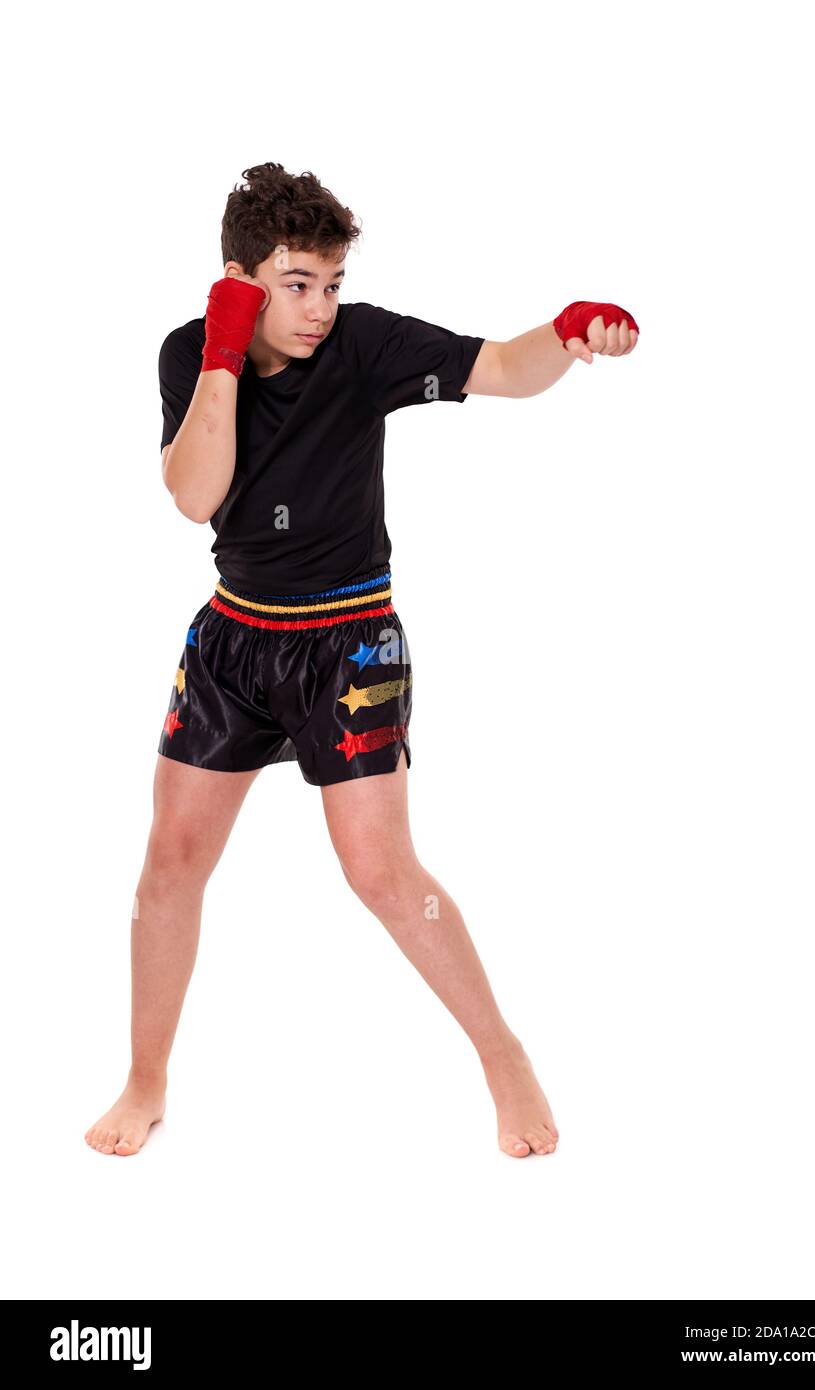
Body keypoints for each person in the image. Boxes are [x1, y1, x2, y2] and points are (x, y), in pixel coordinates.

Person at [85, 162, 638, 1159]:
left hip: (349, 641)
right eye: (296, 283)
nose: (319, 308)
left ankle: (501, 1052)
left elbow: (501, 368)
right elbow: (194, 495)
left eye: (330, 283)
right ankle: (146, 1076)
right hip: (233, 639)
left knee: (381, 870)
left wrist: (564, 332)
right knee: (170, 861)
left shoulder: (363, 343)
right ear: (237, 281)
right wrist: (219, 349)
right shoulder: (188, 352)